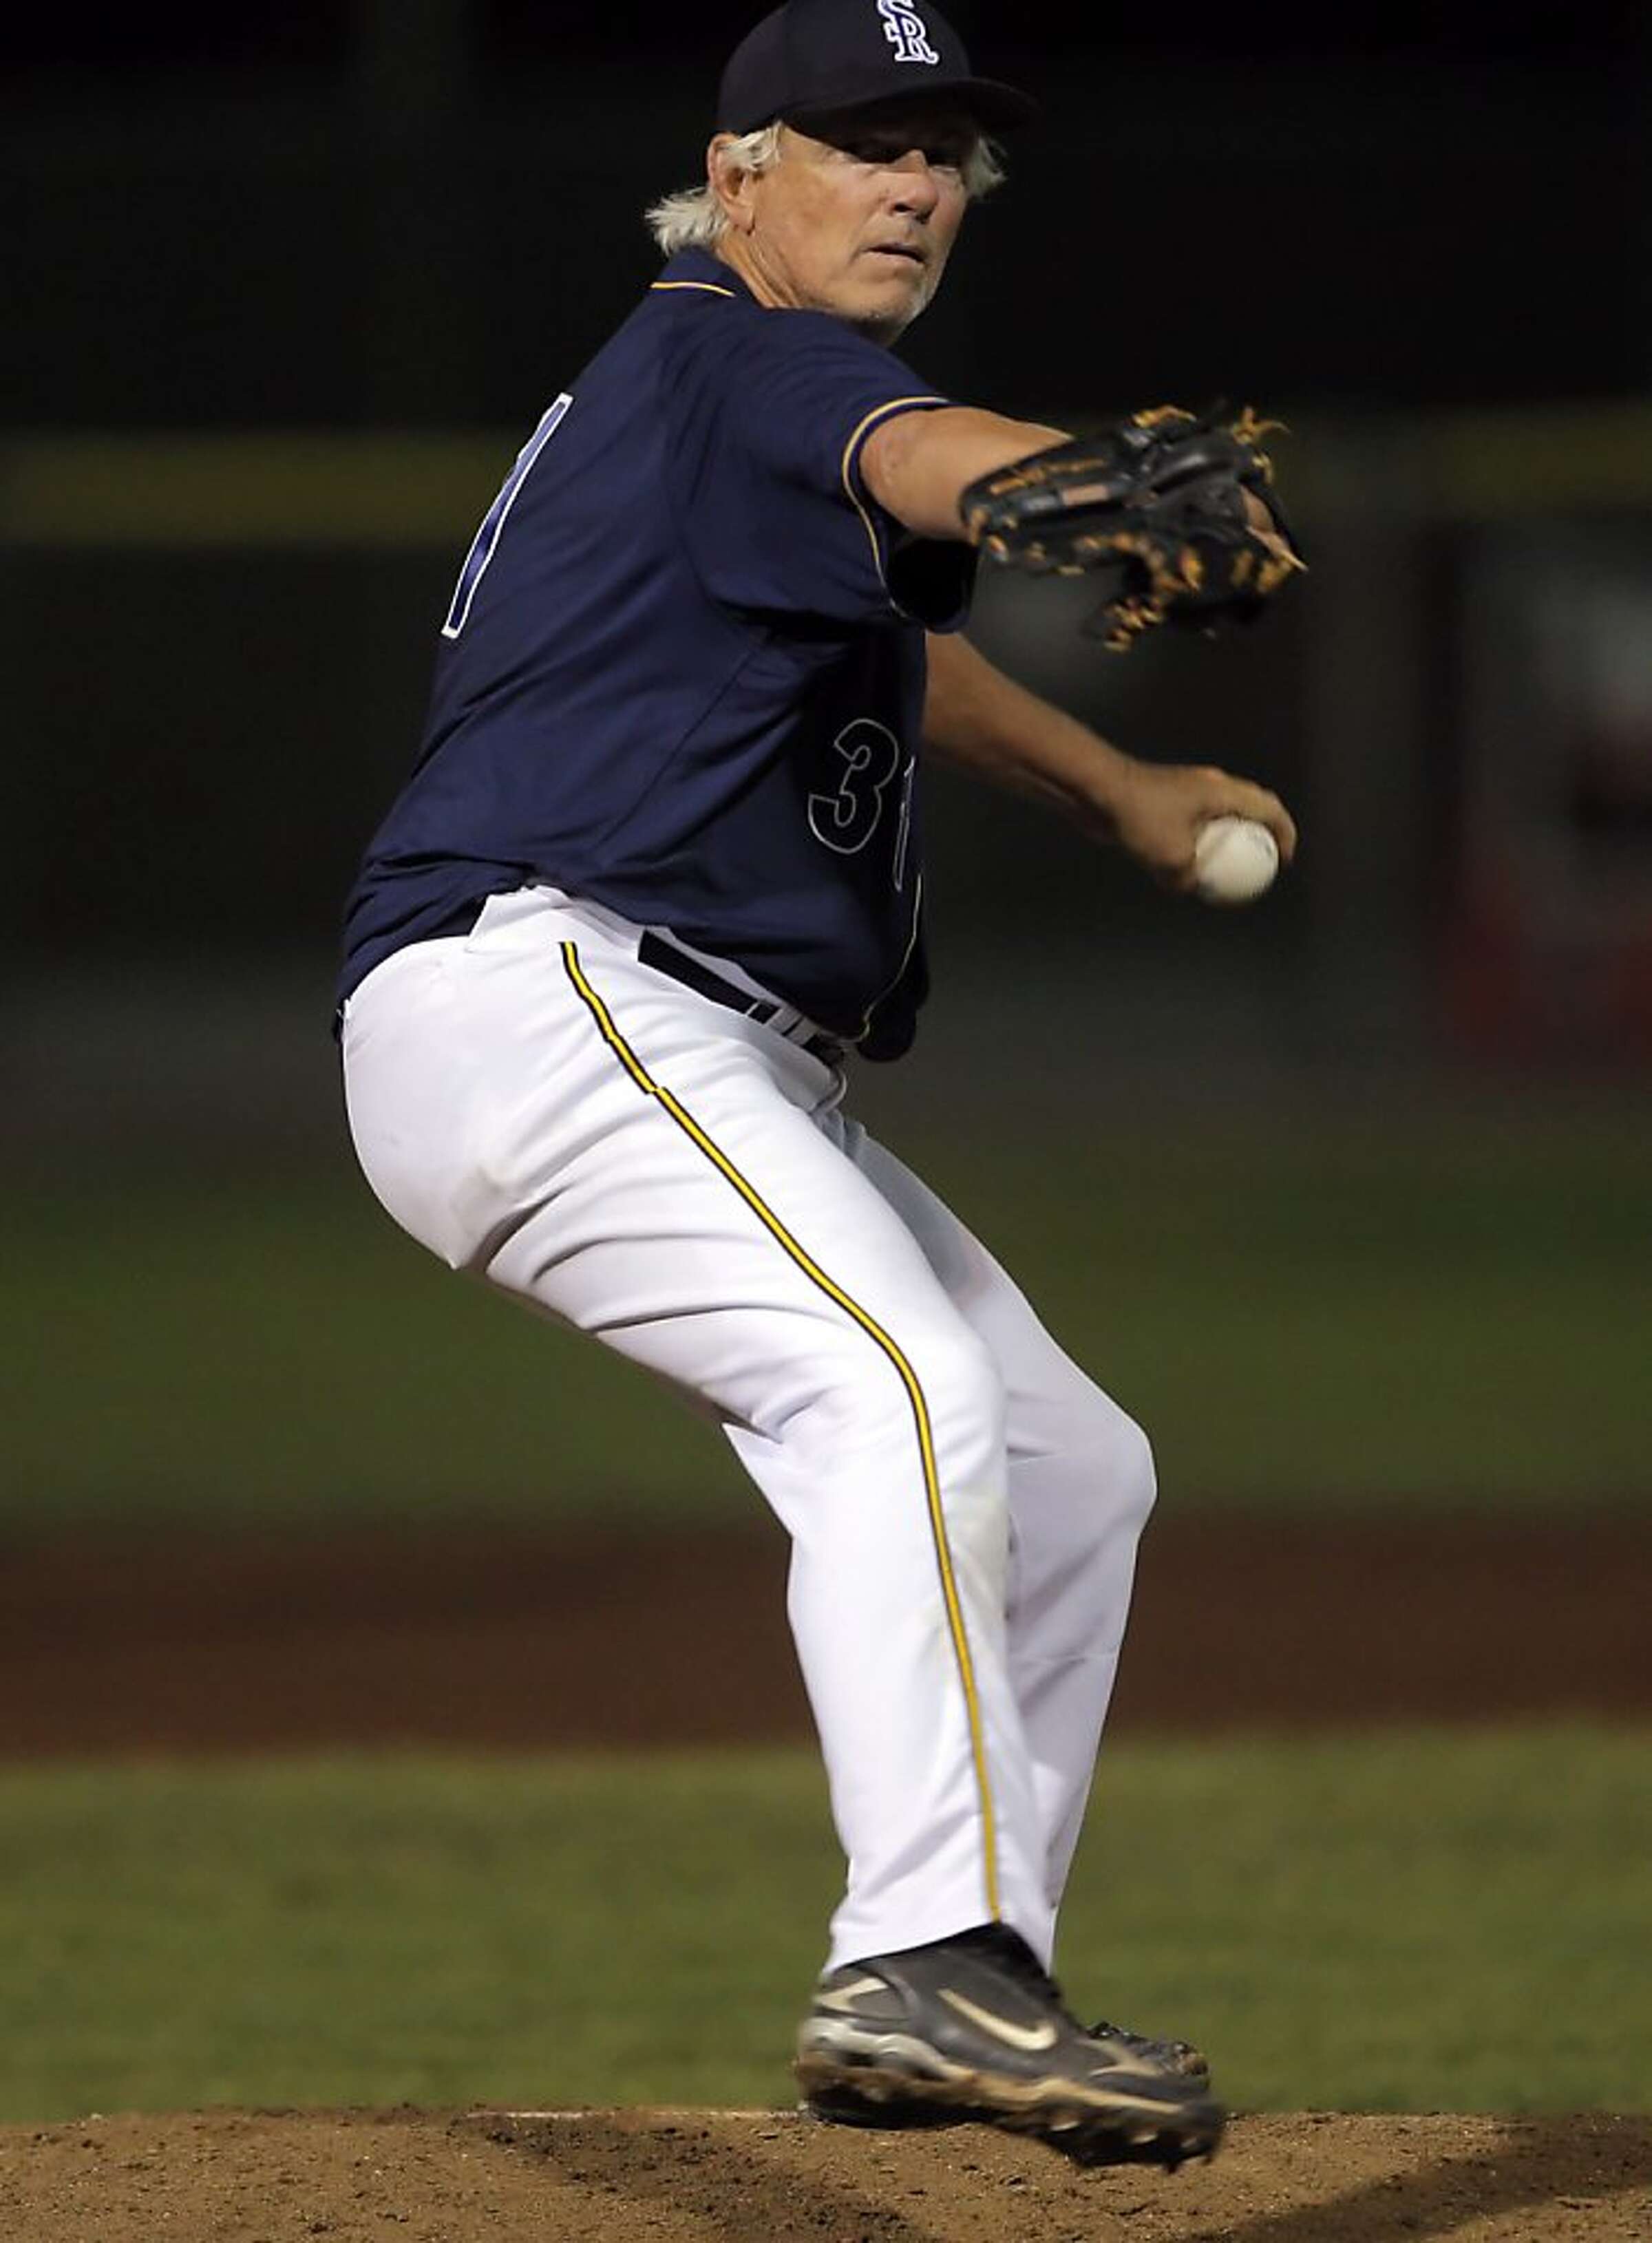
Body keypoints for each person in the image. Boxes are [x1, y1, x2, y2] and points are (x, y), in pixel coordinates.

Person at [337, 0, 1295, 2172]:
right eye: (869, 142)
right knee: (894, 1392)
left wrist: (1121, 789)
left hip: (646, 1025)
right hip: (553, 989)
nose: (920, 184)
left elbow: (900, 638)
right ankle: (926, 1950)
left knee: (1072, 1465)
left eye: (949, 150)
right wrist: (1050, 483)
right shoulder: (740, 352)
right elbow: (922, 460)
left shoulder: (712, 409)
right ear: (739, 166)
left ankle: (962, 1989)